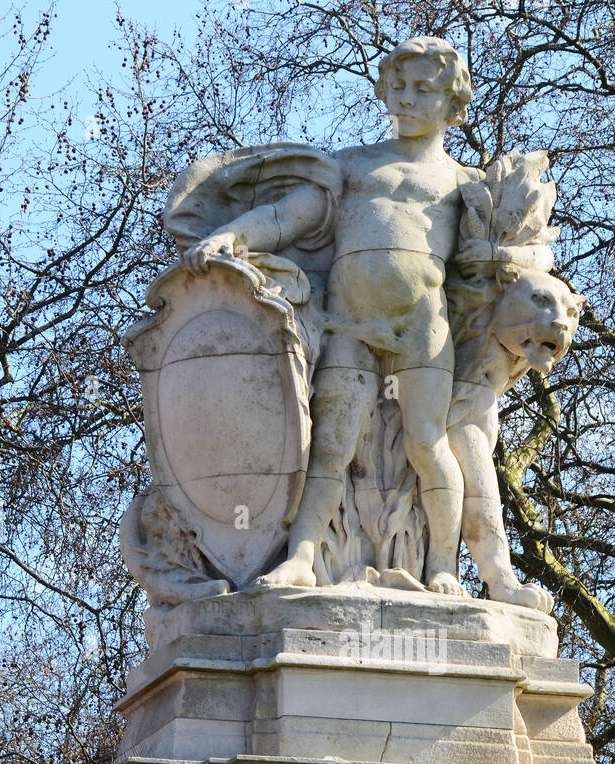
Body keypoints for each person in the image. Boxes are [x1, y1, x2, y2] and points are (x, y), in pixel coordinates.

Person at [182, 37, 479, 594]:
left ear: (453, 103)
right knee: (330, 446)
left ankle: (443, 564)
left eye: (423, 90)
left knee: (425, 442)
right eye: (397, 88)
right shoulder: (352, 165)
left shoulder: (466, 183)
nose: (406, 100)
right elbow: (290, 216)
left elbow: (495, 265)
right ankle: (300, 558)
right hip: (348, 324)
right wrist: (232, 236)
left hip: (423, 328)